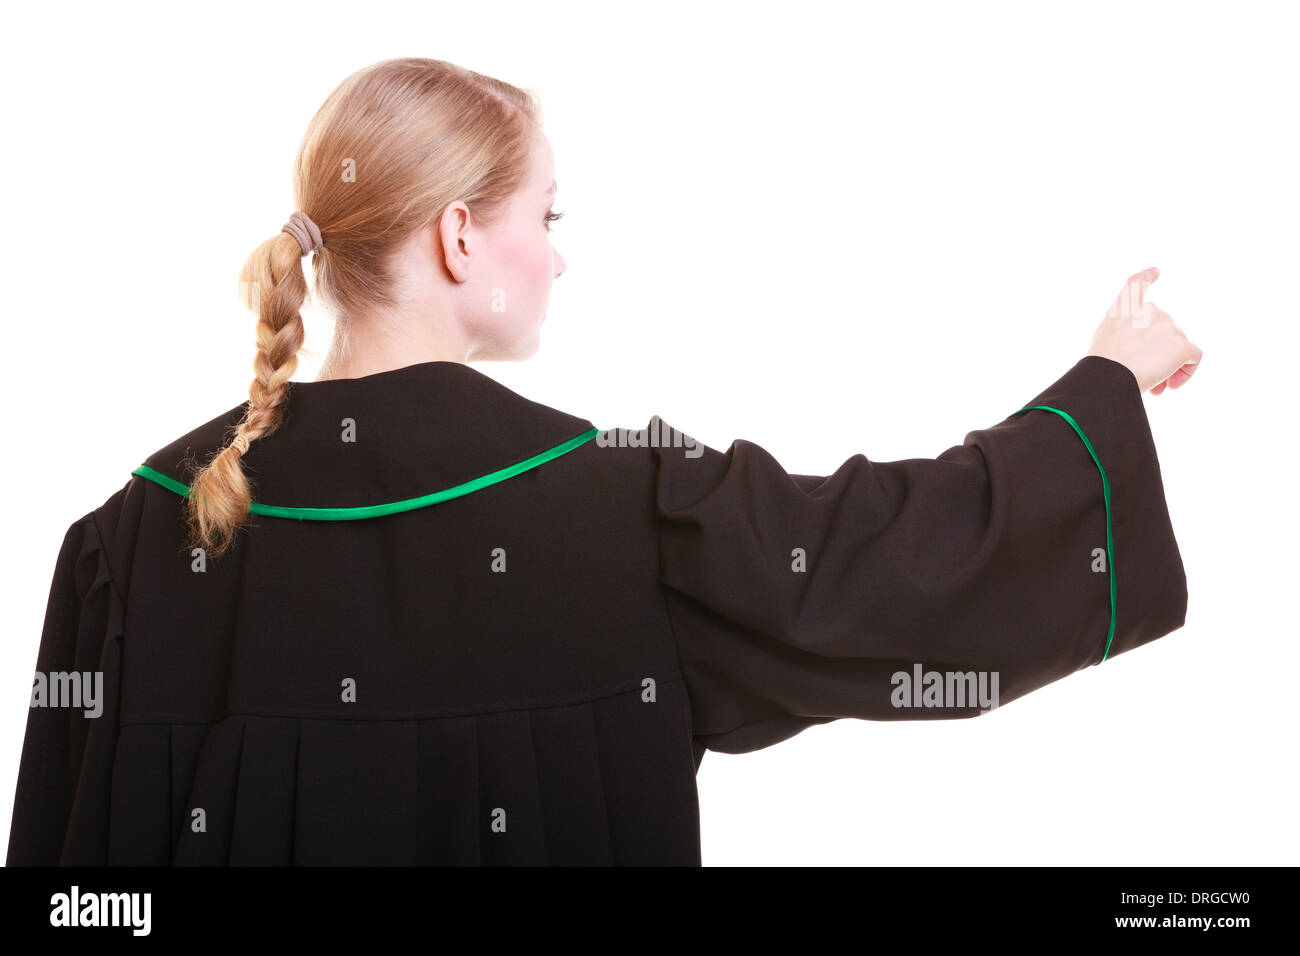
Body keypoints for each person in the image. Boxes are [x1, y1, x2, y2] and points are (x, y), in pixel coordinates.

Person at [5, 57, 1200, 866]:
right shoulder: (624, 507)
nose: (559, 259)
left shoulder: (138, 539)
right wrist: (1101, 390)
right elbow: (893, 560)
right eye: (547, 217)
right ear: (460, 234)